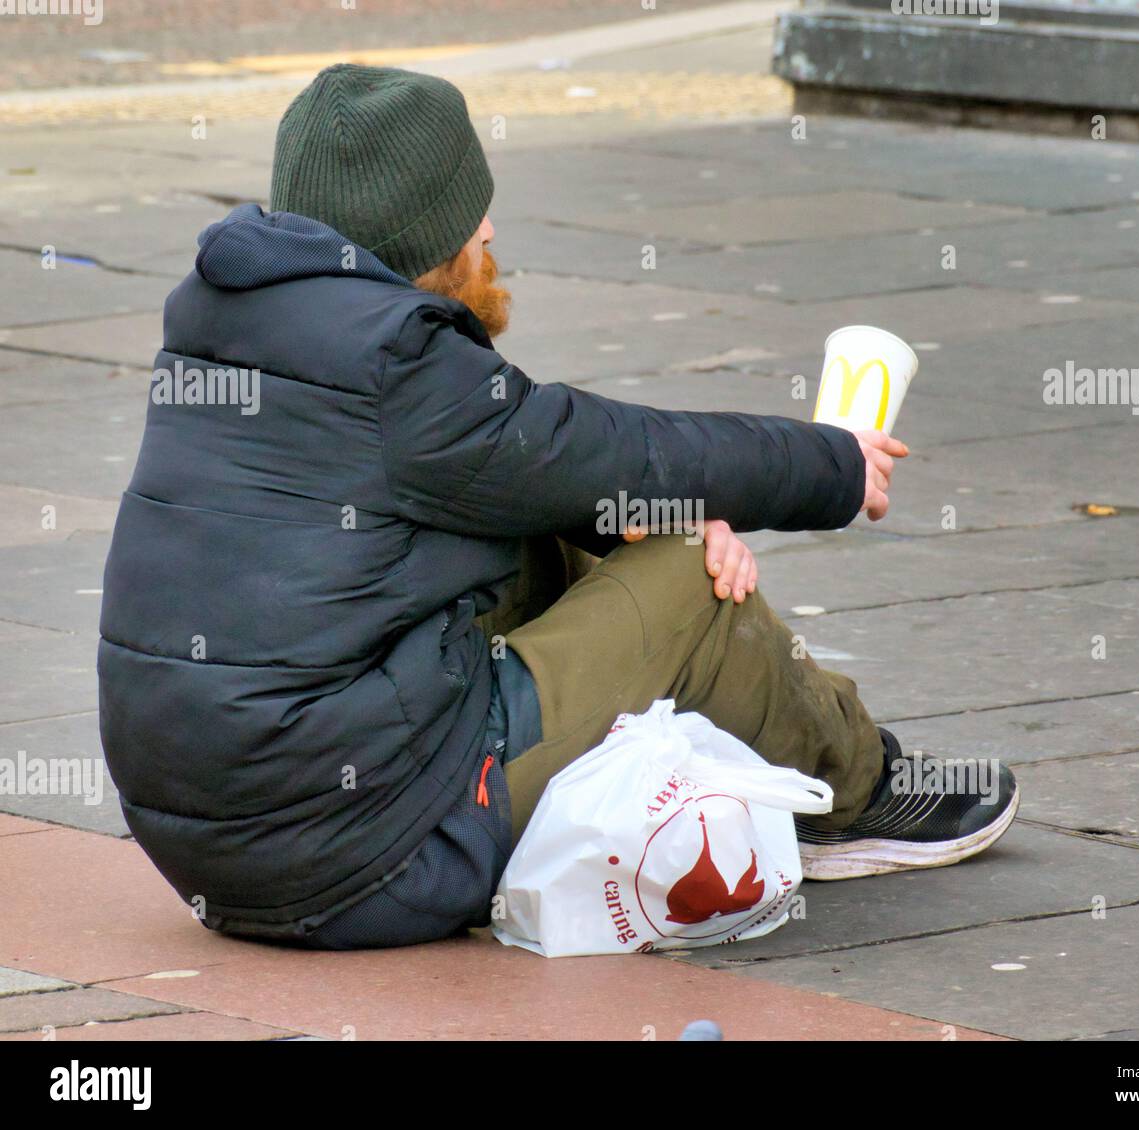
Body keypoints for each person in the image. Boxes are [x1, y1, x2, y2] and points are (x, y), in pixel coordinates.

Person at [97, 65, 1017, 949]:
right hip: (370, 859)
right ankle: (857, 794)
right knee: (687, 579)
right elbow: (621, 449)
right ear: (421, 238)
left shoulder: (228, 326)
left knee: (589, 526)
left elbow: (535, 472)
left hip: (216, 843)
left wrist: (635, 513)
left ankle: (767, 737)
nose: (488, 226)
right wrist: (832, 463)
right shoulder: (397, 369)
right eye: (469, 211)